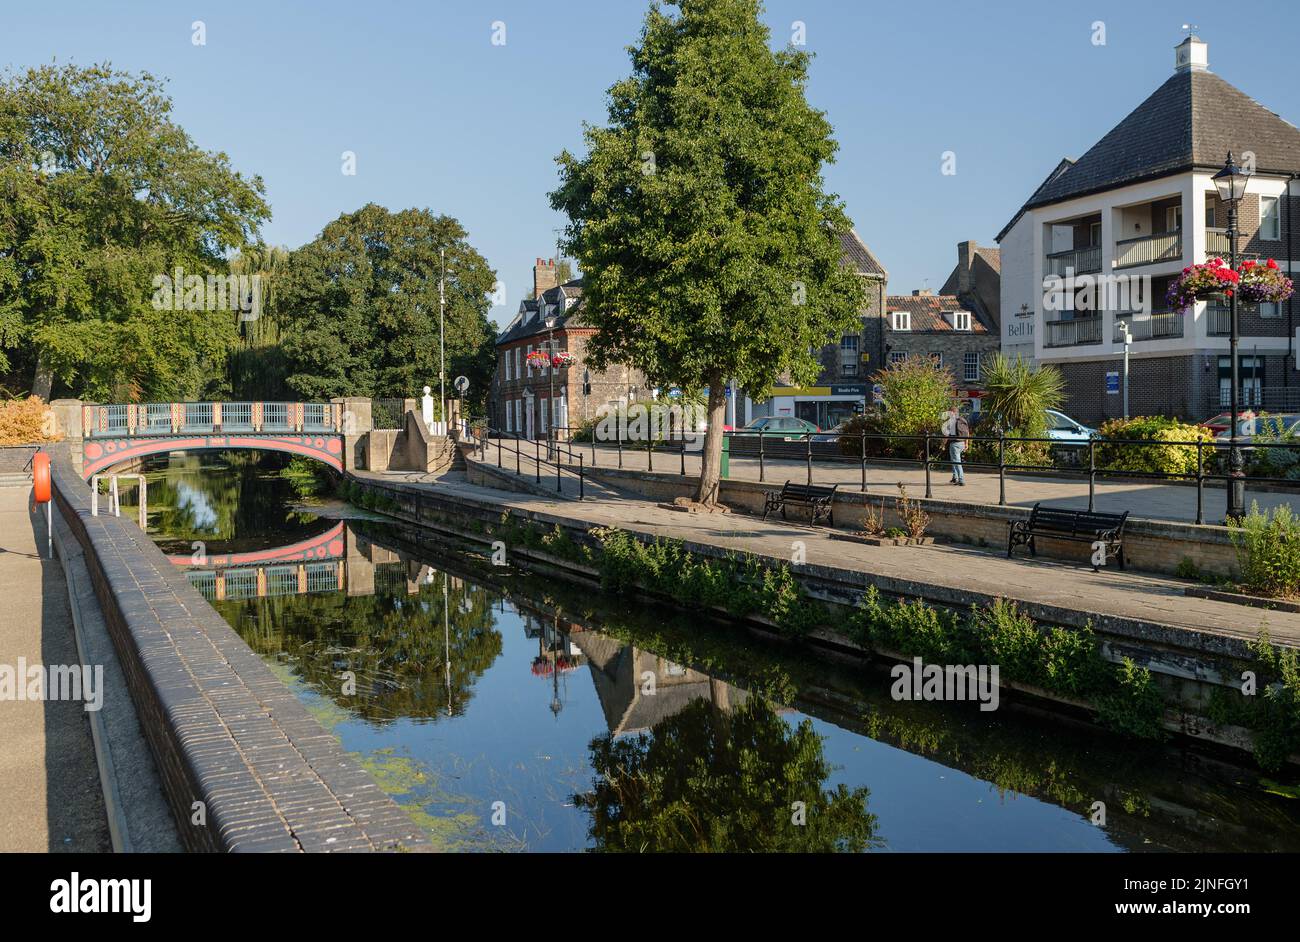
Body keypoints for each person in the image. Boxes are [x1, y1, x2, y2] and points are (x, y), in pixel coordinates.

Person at [941, 406, 969, 486]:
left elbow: (946, 435)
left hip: (954, 444)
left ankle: (961, 479)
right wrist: (966, 443)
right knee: (955, 460)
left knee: (956, 461)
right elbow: (967, 432)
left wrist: (943, 444)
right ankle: (955, 477)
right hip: (962, 443)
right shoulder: (963, 420)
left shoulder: (952, 421)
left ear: (952, 412)